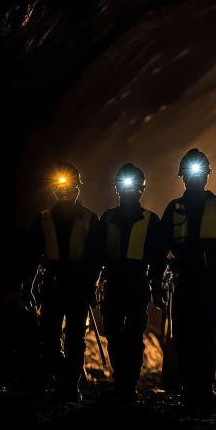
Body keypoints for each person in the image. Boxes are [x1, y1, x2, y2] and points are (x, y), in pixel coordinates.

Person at [160, 148, 216, 415]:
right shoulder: (174, 210)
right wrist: (155, 281)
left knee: (207, 336)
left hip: (210, 283)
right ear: (184, 178)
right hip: (184, 282)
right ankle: (189, 390)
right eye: (190, 174)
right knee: (185, 337)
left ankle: (204, 389)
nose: (194, 179)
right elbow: (159, 246)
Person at [22, 162, 101, 402]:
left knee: (75, 339)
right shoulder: (43, 220)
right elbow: (31, 256)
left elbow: (96, 259)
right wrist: (27, 286)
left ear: (77, 187)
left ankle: (69, 386)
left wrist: (92, 286)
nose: (66, 190)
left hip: (76, 288)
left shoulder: (89, 219)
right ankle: (60, 379)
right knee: (50, 338)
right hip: (53, 287)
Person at [97, 163, 164, 403]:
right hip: (114, 282)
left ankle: (129, 383)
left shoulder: (150, 221)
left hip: (137, 283)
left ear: (140, 190)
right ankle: (121, 378)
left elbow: (157, 258)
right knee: (114, 333)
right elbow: (96, 253)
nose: (128, 191)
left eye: (133, 187)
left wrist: (156, 287)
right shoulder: (107, 219)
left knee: (134, 334)